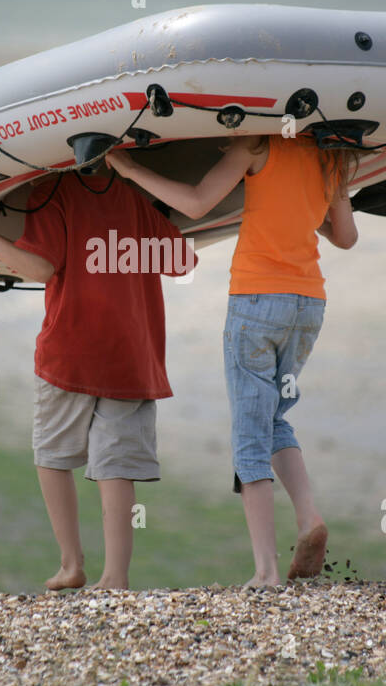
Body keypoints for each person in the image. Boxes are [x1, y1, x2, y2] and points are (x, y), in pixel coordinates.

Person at [106, 134, 358, 587]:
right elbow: (346, 236)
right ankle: (309, 518)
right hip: (308, 304)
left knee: (248, 434)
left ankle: (266, 570)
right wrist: (303, 208)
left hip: (257, 299)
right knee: (274, 417)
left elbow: (198, 202)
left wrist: (130, 170)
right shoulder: (330, 157)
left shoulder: (257, 147)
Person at [0, 170, 196, 591]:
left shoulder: (53, 191)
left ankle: (72, 564)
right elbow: (183, 260)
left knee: (52, 454)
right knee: (116, 466)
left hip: (70, 354)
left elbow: (40, 267)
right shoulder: (132, 198)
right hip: (131, 357)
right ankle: (116, 577)